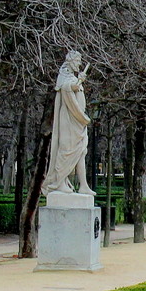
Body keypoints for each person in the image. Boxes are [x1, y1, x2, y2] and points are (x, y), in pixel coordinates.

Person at [42, 50, 91, 196]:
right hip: (69, 120)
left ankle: (83, 185)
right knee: (66, 151)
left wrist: (78, 81)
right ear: (70, 61)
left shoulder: (72, 77)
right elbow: (66, 88)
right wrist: (77, 82)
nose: (79, 64)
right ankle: (59, 182)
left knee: (80, 151)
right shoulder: (64, 75)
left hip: (78, 122)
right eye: (77, 61)